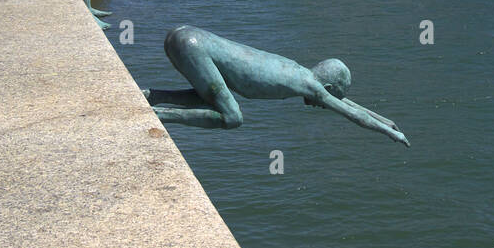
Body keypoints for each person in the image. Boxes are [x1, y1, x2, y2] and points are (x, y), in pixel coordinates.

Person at [142, 26, 409, 144]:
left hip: (187, 36)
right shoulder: (311, 86)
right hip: (193, 48)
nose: (321, 105)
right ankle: (159, 116)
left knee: (211, 101)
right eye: (329, 98)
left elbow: (345, 103)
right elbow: (353, 115)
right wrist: (391, 134)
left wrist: (386, 119)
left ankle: (151, 97)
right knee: (233, 117)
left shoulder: (300, 70)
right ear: (327, 89)